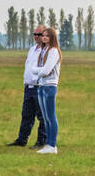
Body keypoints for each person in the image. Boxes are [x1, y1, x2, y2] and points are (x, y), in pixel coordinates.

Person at [6, 25, 47, 149]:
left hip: (39, 87)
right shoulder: (32, 49)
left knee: (42, 116)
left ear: (45, 36)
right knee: (26, 115)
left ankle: (41, 141)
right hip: (28, 87)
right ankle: (22, 139)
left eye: (39, 34)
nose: (36, 37)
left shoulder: (47, 51)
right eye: (34, 34)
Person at [34, 26, 61, 155]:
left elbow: (45, 71)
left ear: (52, 37)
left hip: (50, 85)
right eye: (43, 35)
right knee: (45, 117)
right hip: (41, 85)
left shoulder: (54, 51)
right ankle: (48, 144)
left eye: (47, 36)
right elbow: (41, 70)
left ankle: (52, 145)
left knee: (51, 116)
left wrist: (37, 71)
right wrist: (40, 71)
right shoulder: (43, 51)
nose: (44, 37)